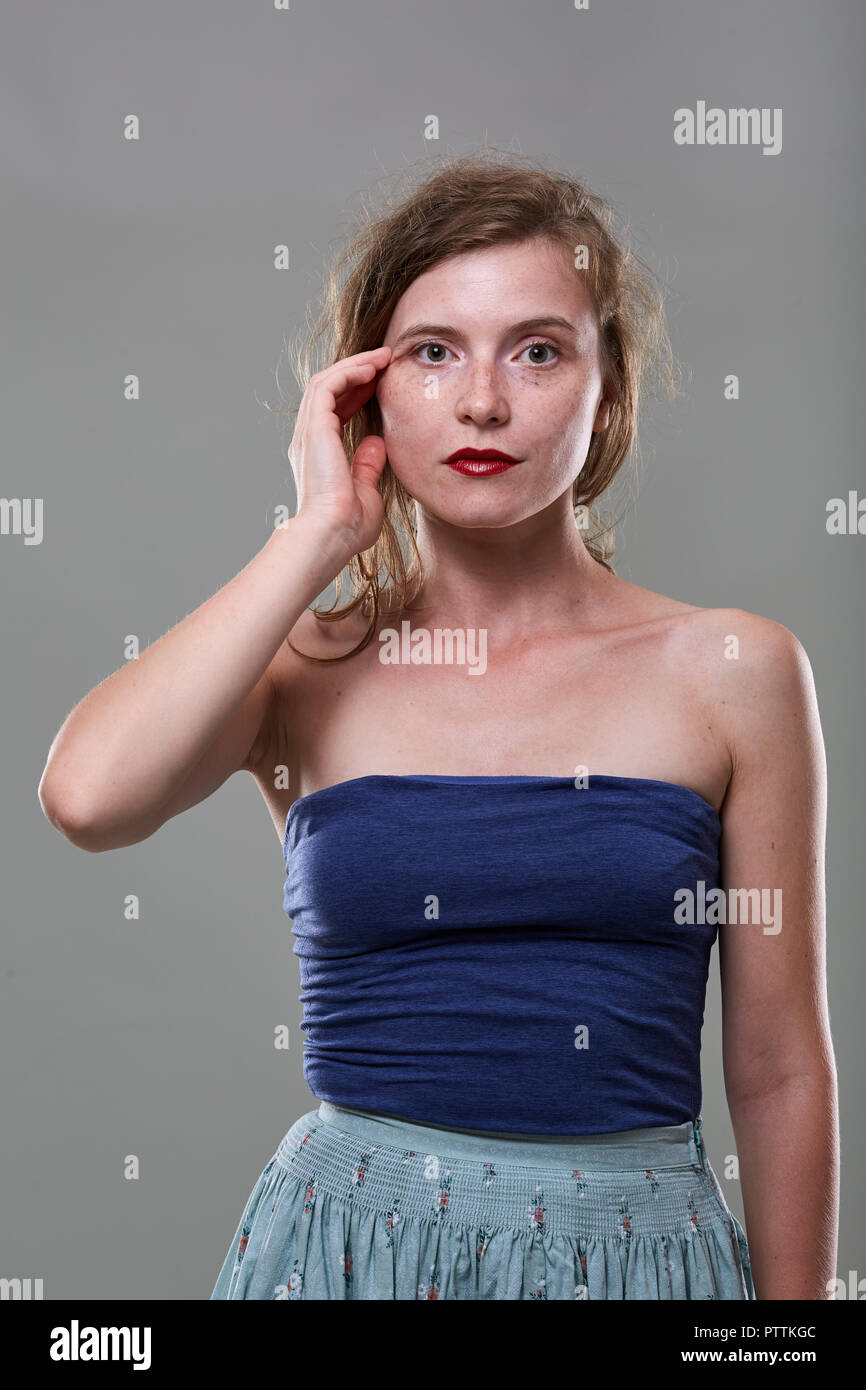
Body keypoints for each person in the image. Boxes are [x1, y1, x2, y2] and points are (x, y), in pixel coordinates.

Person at [38, 151, 838, 1300]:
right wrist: (314, 534)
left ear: (605, 389)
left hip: (634, 1260)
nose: (481, 402)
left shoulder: (732, 669)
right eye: (431, 352)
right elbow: (86, 797)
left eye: (538, 350)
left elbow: (774, 1071)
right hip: (346, 1251)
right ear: (367, 391)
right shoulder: (303, 670)